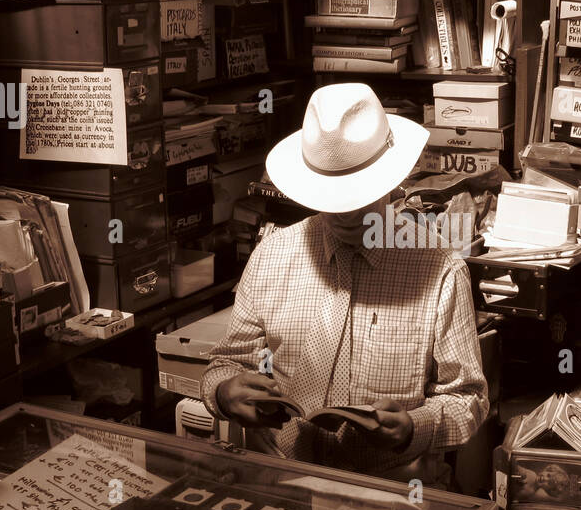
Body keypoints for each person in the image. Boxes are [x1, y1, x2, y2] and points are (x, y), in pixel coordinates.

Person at [202, 83, 489, 480]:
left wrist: (413, 428)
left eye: (357, 195)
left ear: (392, 183)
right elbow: (227, 363)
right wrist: (223, 393)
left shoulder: (439, 269)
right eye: (329, 196)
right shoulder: (273, 255)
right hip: (285, 478)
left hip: (392, 489)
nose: (345, 214)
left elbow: (468, 401)